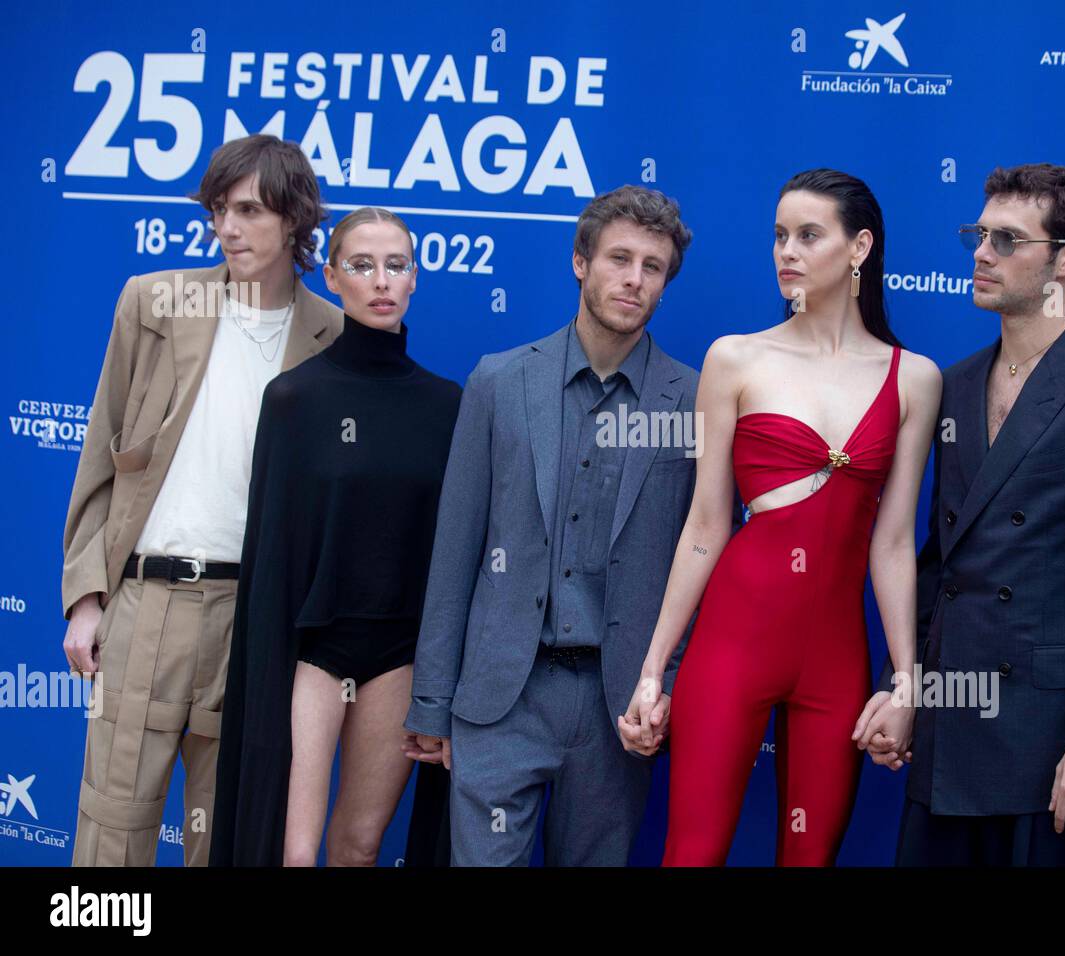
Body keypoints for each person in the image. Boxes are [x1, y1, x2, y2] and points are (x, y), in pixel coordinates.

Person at [863, 163, 1065, 866]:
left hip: (1056, 748)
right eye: (978, 235)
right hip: (950, 736)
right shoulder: (953, 383)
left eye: (1007, 240)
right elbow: (940, 563)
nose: (981, 254)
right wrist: (909, 685)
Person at [634, 168, 942, 866]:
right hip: (731, 644)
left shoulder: (914, 378)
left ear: (860, 247)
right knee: (692, 852)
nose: (787, 252)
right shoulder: (736, 359)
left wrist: (906, 684)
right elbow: (706, 527)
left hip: (836, 660)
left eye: (808, 235)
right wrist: (656, 670)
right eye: (779, 236)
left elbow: (893, 544)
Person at [402, 185, 713, 866]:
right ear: (581, 261)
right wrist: (431, 703)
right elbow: (456, 550)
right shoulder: (499, 381)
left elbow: (704, 555)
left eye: (652, 267)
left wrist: (670, 688)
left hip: (617, 706)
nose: (634, 279)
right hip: (500, 698)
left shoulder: (695, 400)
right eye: (619, 258)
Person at [60, 134, 343, 867]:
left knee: (226, 841)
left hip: (257, 619)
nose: (227, 227)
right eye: (219, 209)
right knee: (110, 835)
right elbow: (101, 454)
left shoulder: (333, 335)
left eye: (248, 210)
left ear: (295, 220)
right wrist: (86, 597)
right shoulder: (153, 301)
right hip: (146, 604)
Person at [210, 208, 461, 866]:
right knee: (292, 853)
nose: (381, 280)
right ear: (332, 276)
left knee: (357, 847)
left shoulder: (447, 406)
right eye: (361, 265)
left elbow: (456, 553)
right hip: (314, 654)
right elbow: (272, 556)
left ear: (414, 279)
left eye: (396, 265)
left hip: (399, 658)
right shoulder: (295, 398)